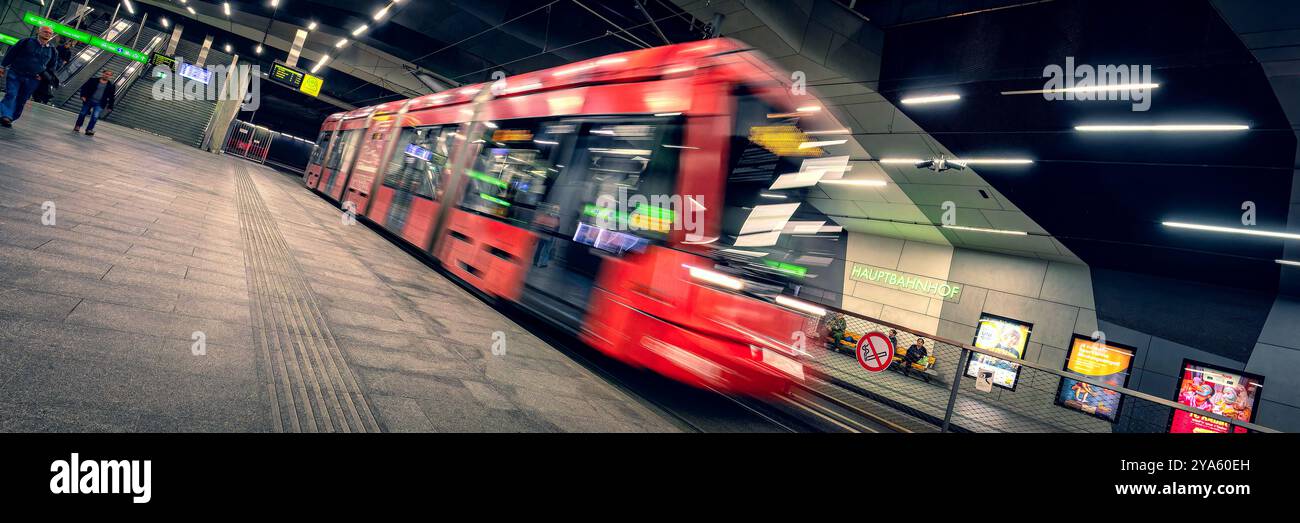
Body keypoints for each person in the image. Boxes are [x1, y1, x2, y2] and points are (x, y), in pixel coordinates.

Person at [0, 25, 60, 128]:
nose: (48, 34)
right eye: (45, 32)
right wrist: (2, 66)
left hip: (33, 79)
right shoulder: (26, 42)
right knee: (11, 94)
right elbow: (11, 53)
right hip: (15, 73)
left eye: (50, 33)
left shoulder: (52, 50)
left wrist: (45, 77)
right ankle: (6, 116)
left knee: (22, 99)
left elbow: (52, 67)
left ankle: (11, 117)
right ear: (39, 32)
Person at [74, 70, 116, 136]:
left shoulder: (111, 86)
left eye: (109, 75)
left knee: (95, 116)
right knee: (82, 113)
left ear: (111, 76)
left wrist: (110, 106)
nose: (107, 75)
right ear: (103, 74)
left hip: (99, 103)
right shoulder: (93, 80)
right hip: (89, 100)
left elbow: (112, 97)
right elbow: (84, 87)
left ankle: (89, 130)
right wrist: (83, 95)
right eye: (106, 74)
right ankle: (78, 126)